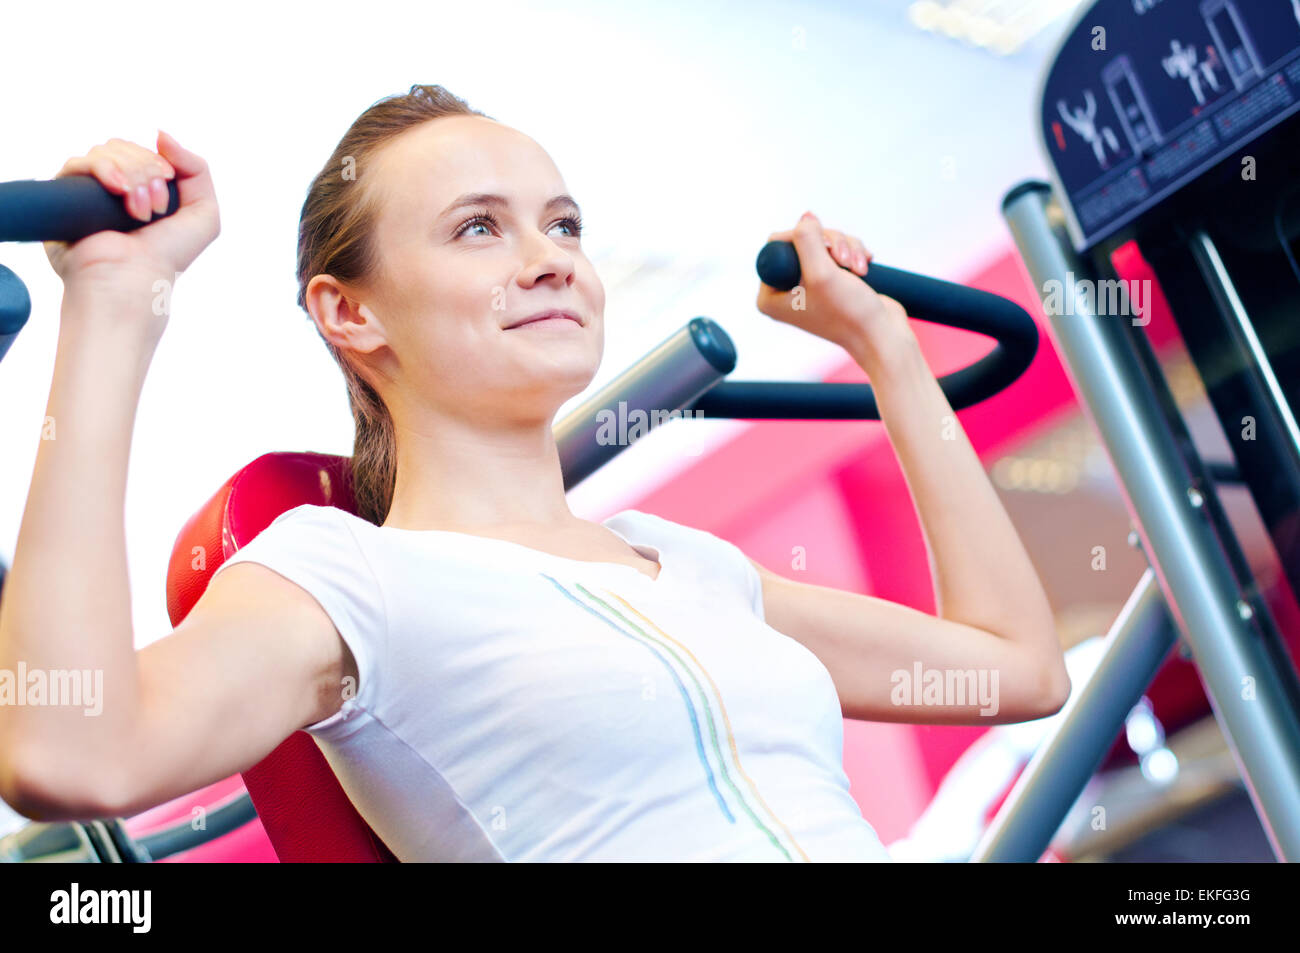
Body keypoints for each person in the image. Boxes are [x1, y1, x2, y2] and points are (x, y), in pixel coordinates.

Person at [0, 84, 1069, 862]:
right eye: (478, 228)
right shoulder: (346, 579)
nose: (552, 255)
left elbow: (1013, 668)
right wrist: (115, 298)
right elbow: (71, 748)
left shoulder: (690, 566)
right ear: (349, 311)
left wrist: (885, 349)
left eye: (564, 224)